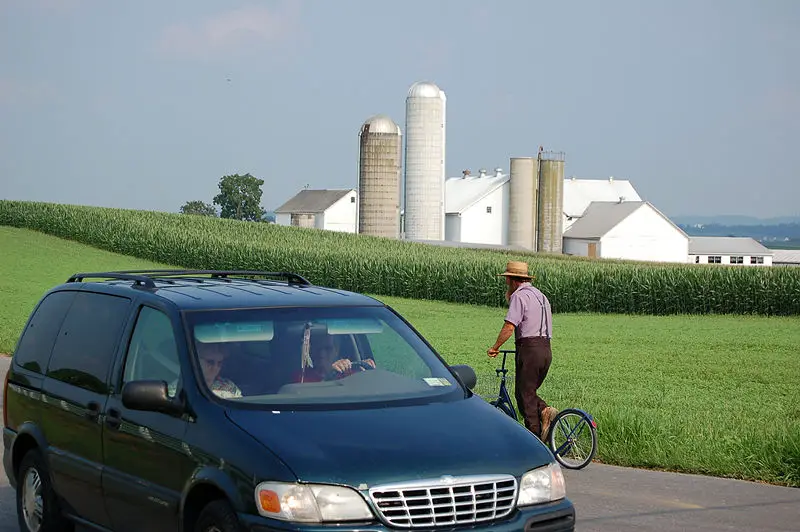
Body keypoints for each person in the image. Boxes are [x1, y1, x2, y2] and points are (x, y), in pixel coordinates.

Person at [488, 261, 558, 439]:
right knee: (526, 393)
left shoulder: (519, 297)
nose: (506, 283)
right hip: (546, 350)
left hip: (529, 350)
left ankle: (535, 440)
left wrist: (495, 347)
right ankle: (545, 412)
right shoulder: (541, 296)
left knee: (525, 397)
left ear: (512, 280)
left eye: (507, 279)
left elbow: (509, 326)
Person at [294, 332, 375, 383]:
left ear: (337, 351)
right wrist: (330, 376)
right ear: (310, 351)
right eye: (317, 348)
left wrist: (368, 374)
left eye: (328, 348)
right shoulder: (301, 378)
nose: (321, 354)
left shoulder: (351, 375)